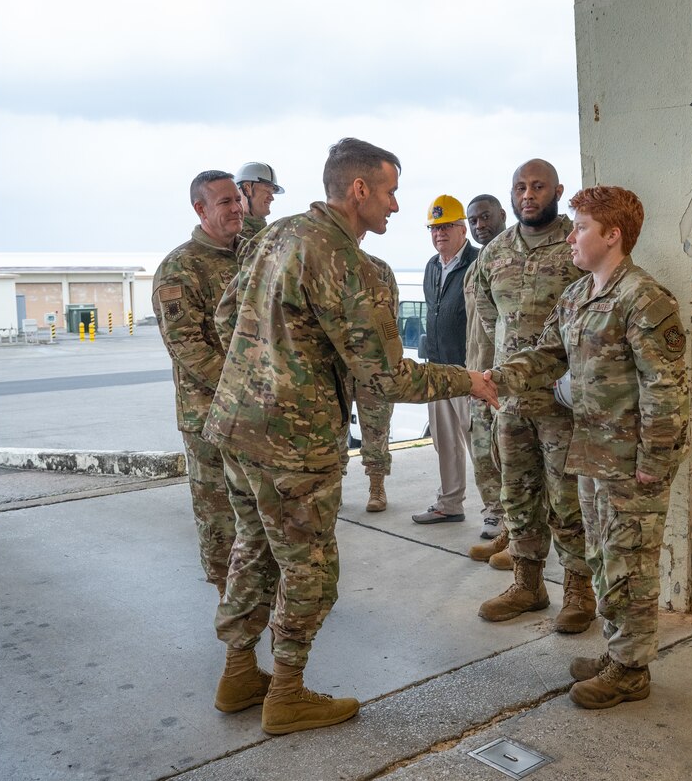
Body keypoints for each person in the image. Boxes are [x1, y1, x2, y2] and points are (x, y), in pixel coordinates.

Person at [201, 138, 497, 736]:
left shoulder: (279, 234)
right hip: (294, 445)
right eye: (389, 191)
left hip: (237, 430)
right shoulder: (349, 265)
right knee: (309, 569)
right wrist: (470, 379)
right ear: (358, 189)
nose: (394, 206)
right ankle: (286, 693)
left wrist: (275, 356)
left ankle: (238, 674)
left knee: (252, 552)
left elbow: (224, 316)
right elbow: (386, 375)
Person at [488, 185, 689, 709]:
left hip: (632, 467)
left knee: (632, 568)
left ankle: (631, 671)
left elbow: (666, 389)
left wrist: (654, 464)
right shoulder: (579, 296)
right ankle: (616, 652)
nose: (571, 237)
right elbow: (545, 354)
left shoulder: (644, 299)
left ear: (612, 236)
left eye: (580, 228)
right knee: (603, 561)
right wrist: (493, 379)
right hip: (594, 457)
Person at [471, 159, 596, 633]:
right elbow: (487, 311)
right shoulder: (495, 251)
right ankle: (528, 584)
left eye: (538, 186)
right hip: (510, 401)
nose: (528, 195)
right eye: (520, 187)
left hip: (561, 400)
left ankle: (579, 590)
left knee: (566, 500)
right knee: (517, 496)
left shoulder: (573, 244)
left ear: (557, 191)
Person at [152, 170, 245, 601]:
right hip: (208, 415)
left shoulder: (251, 256)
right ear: (201, 209)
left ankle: (265, 587)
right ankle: (228, 596)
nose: (237, 208)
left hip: (257, 415)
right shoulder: (180, 267)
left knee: (260, 509)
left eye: (238, 199)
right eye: (225, 201)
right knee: (217, 512)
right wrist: (243, 388)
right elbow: (186, 348)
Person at [412, 195, 479, 525]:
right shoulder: (431, 267)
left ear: (462, 229)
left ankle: (497, 513)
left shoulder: (476, 264)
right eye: (435, 228)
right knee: (445, 442)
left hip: (468, 370)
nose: (440, 233)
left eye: (447, 226)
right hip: (437, 370)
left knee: (478, 444)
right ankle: (449, 503)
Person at [463, 195, 511, 551]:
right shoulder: (473, 268)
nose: (480, 225)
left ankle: (517, 527)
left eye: (485, 217)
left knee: (510, 454)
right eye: (473, 220)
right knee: (482, 451)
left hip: (509, 378)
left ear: (502, 216)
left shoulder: (514, 260)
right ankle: (494, 513)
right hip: (477, 375)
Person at [347, 251, 398, 512]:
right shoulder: (322, 268)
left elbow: (391, 321)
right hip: (335, 365)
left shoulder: (379, 269)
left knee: (376, 429)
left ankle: (377, 486)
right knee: (331, 431)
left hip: (373, 364)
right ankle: (332, 488)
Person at [234, 161, 283, 250]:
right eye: (267, 191)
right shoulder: (230, 236)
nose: (272, 198)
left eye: (272, 193)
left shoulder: (271, 234)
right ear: (247, 189)